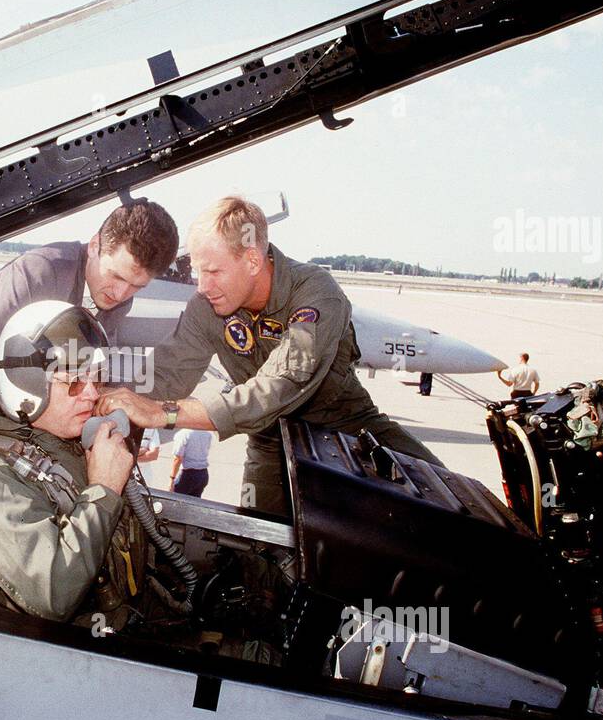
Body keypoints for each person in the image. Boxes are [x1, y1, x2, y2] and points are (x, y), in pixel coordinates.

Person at [98, 196, 442, 515]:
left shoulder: (315, 294)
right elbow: (167, 375)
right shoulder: (206, 305)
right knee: (259, 543)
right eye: (197, 271)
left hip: (348, 427)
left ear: (251, 260)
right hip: (270, 440)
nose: (202, 286)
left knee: (451, 506)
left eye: (214, 272)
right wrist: (101, 398)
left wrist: (164, 413)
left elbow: (281, 385)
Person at [0, 301, 144, 624]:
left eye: (96, 379)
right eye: (74, 382)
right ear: (27, 384)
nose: (91, 394)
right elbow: (55, 594)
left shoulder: (66, 444)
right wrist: (103, 489)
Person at [0, 199, 179, 396]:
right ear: (95, 246)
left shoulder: (120, 301)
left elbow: (95, 364)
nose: (120, 294)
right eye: (116, 276)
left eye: (136, 286)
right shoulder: (38, 274)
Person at [167, 428, 212, 497]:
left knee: (176, 502)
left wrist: (172, 479)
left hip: (188, 476)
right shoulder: (207, 434)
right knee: (194, 504)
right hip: (203, 474)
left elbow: (178, 458)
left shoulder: (183, 434)